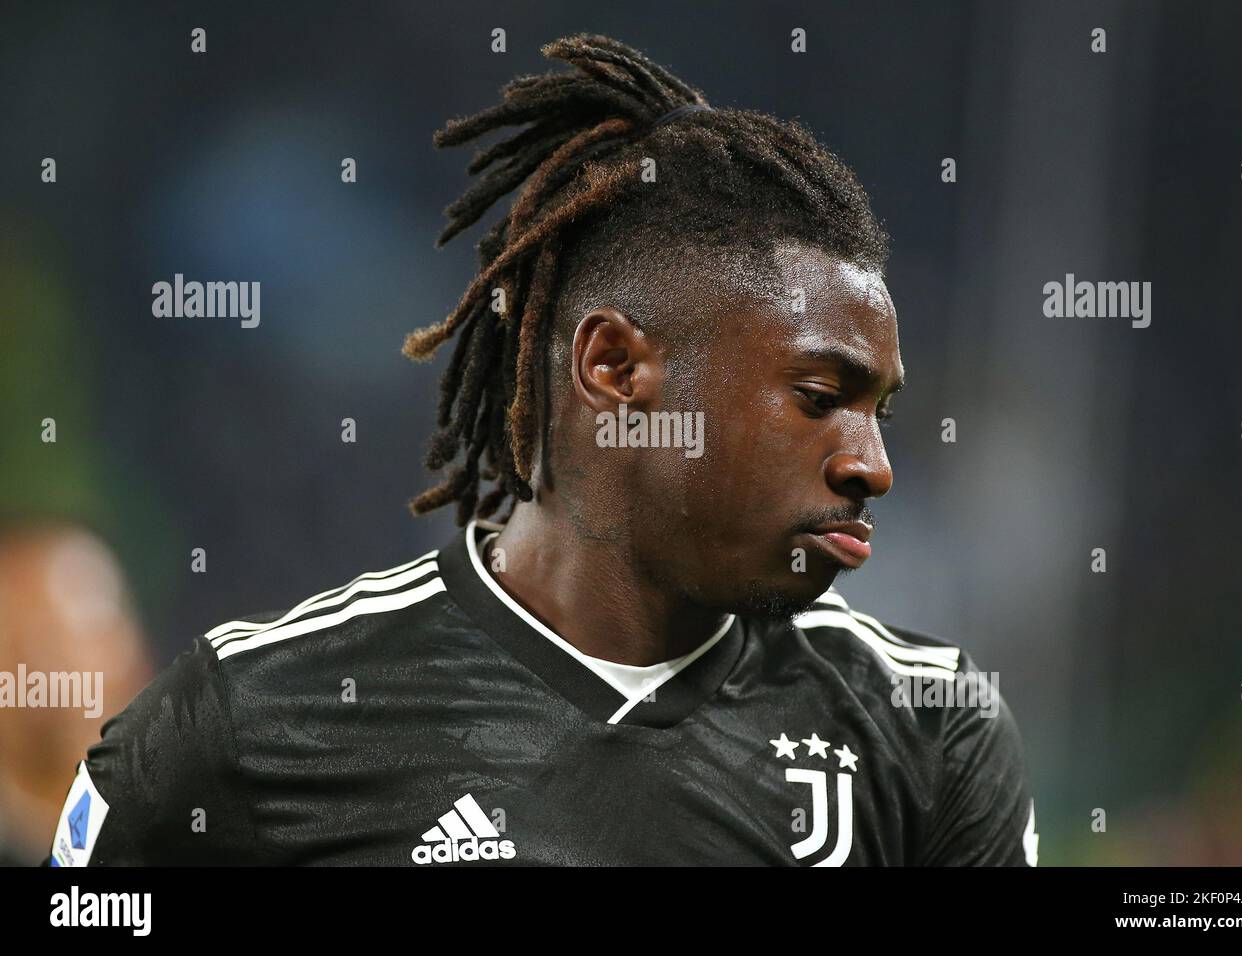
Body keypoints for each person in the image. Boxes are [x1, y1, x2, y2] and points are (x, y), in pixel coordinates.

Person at [49, 33, 1036, 866]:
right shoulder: (248, 722)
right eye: (820, 398)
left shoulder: (923, 731)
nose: (872, 464)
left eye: (881, 412)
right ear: (614, 366)